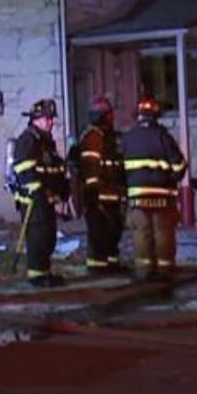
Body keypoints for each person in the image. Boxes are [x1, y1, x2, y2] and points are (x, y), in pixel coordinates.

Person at [121, 95, 186, 283]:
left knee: (141, 233)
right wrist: (170, 179)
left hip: (137, 197)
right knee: (163, 232)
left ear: (138, 115)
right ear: (156, 115)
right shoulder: (164, 137)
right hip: (163, 197)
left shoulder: (127, 138)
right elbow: (179, 167)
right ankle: (165, 272)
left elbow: (120, 170)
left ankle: (144, 272)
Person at [11, 98, 70, 287]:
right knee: (38, 237)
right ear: (35, 119)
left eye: (51, 118)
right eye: (47, 118)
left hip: (46, 198)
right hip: (33, 200)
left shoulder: (46, 141)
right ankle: (36, 276)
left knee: (48, 236)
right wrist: (37, 192)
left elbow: (53, 167)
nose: (51, 122)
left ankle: (45, 272)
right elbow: (24, 170)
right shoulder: (27, 140)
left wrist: (63, 186)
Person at [77, 96, 127, 275]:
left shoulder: (110, 137)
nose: (112, 117)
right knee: (99, 232)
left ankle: (111, 262)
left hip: (113, 193)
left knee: (114, 230)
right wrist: (92, 193)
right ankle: (97, 265)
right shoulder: (92, 136)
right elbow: (90, 168)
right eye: (109, 114)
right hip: (97, 195)